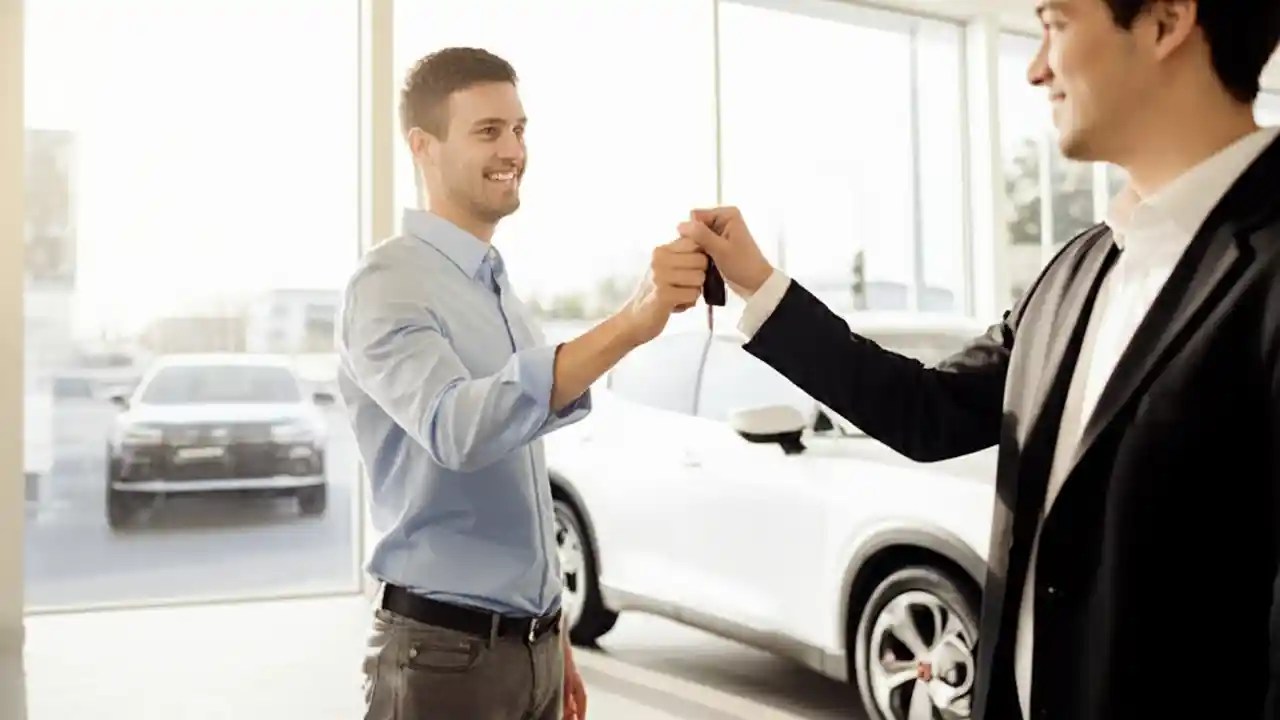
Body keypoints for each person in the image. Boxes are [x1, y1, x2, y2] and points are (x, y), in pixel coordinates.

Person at [679, 1, 1280, 718]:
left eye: (1056, 25)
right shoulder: (1080, 268)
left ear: (1165, 21)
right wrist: (758, 284)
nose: (1036, 69)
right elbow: (928, 411)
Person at [337, 47, 706, 720]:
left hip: (529, 648)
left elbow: (520, 472)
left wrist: (550, 631)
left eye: (519, 129)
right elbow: (459, 428)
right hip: (442, 657)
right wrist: (631, 321)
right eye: (488, 131)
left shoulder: (497, 289)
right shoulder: (387, 284)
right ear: (423, 146)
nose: (513, 150)